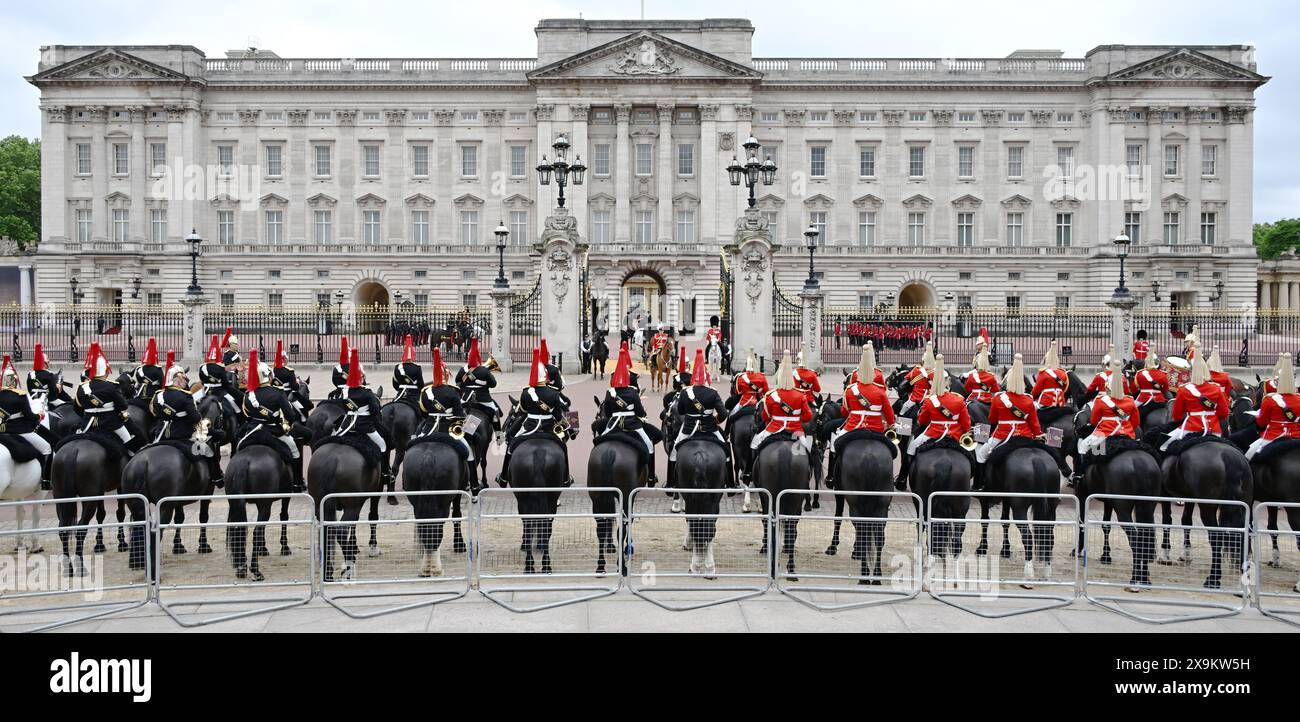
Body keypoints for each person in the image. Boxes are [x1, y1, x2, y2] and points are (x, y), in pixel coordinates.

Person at [496, 347, 575, 487]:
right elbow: (557, 414)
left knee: (511, 444)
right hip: (548, 427)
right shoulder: (553, 392)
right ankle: (565, 479)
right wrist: (566, 424)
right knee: (563, 445)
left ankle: (503, 477)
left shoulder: (526, 392)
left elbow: (523, 411)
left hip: (530, 426)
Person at [828, 342, 894, 488]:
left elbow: (844, 412)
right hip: (876, 429)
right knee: (892, 451)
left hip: (853, 427)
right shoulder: (880, 391)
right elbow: (890, 417)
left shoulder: (851, 390)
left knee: (835, 445)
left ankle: (833, 477)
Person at [240, 349, 304, 491]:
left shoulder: (248, 394)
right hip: (274, 431)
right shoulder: (277, 393)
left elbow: (246, 415)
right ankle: (297, 482)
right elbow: (290, 415)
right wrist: (288, 424)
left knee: (238, 447)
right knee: (294, 451)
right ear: (268, 376)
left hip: (253, 431)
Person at [597, 347, 658, 485]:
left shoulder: (610, 392)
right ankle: (651, 477)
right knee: (649, 445)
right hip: (632, 425)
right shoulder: (632, 392)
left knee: (598, 440)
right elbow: (640, 412)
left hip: (613, 424)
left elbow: (607, 412)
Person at [332, 349, 392, 485]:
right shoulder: (367, 392)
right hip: (365, 426)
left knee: (333, 439)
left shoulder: (345, 391)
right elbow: (375, 410)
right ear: (361, 377)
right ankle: (385, 473)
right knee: (382, 445)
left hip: (347, 425)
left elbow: (343, 406)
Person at [74, 343, 143, 455]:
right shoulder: (111, 386)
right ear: (105, 370)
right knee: (130, 443)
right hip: (110, 423)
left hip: (87, 424)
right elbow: (123, 406)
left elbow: (77, 408)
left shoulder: (82, 387)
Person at [1161, 345, 1230, 452]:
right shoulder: (1216, 388)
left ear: (1191, 372)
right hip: (1214, 430)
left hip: (1191, 428)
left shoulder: (1184, 389)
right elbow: (1224, 413)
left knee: (1163, 445)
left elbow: (1177, 416)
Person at [0, 355, 55, 488]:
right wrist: (39, 416)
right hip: (19, 430)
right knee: (47, 448)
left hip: (2, 429)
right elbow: (29, 416)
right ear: (14, 381)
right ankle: (46, 481)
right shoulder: (20, 395)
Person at [415, 347, 475, 463]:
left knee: (412, 444)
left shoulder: (425, 392)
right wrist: (471, 426)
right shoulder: (453, 391)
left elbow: (423, 413)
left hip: (429, 428)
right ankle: (473, 481)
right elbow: (459, 415)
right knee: (469, 453)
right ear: (446, 376)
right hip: (448, 429)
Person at [750, 351, 814, 457]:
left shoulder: (771, 395)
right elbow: (807, 417)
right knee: (810, 452)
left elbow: (765, 417)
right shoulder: (801, 395)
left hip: (774, 429)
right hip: (796, 431)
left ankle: (748, 472)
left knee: (754, 443)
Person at [671, 349, 729, 465]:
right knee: (726, 450)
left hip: (688, 428)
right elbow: (723, 414)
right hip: (710, 427)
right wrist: (715, 420)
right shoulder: (713, 392)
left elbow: (681, 411)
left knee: (673, 453)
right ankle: (731, 482)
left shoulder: (685, 392)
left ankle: (671, 482)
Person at [1078, 360, 1140, 459]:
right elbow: (1135, 422)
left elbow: (1094, 421)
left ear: (1108, 387)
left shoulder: (1100, 401)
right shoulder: (1130, 400)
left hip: (1104, 433)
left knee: (1083, 446)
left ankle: (1081, 473)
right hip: (1127, 433)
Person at [1247, 352, 1300, 461]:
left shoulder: (1270, 399)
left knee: (1249, 456)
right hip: (1296, 436)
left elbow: (1262, 422)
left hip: (1273, 436)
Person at [456, 337, 501, 439]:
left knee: (457, 412)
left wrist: (466, 386)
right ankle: (499, 437)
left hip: (466, 398)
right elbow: (493, 384)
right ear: (478, 357)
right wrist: (484, 383)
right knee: (495, 411)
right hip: (484, 399)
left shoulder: (463, 370)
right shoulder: (484, 371)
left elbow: (457, 382)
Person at [193, 335, 241, 414]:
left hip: (205, 391)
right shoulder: (220, 368)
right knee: (235, 407)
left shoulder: (202, 368)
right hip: (219, 393)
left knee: (192, 400)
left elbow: (202, 381)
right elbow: (226, 385)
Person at [271, 340, 313, 422]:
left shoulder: (273, 370)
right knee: (302, 409)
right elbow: (295, 387)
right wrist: (297, 382)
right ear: (285, 360)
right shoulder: (289, 371)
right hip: (287, 394)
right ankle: (303, 418)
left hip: (275, 393)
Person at [26, 343, 73, 411]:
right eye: (47, 359)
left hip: (33, 401)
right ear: (43, 362)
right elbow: (54, 392)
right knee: (69, 406)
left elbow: (29, 389)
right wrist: (58, 388)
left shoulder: (30, 375)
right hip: (49, 402)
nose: (49, 361)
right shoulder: (48, 374)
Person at [725, 348, 769, 419]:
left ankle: (727, 430)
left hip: (744, 402)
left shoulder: (741, 377)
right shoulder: (762, 376)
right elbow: (766, 392)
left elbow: (737, 391)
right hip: (757, 403)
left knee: (730, 417)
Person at [899, 342, 936, 416]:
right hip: (929, 398)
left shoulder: (916, 369)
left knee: (904, 409)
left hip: (915, 397)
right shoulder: (934, 371)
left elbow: (906, 378)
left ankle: (901, 424)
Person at [1031, 341, 1071, 408]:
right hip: (1060, 403)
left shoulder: (1043, 373)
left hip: (1046, 402)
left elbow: (1036, 390)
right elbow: (1065, 389)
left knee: (1031, 409)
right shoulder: (1063, 373)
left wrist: (1032, 396)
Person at [391, 334, 423, 405]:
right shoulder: (417, 368)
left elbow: (395, 383)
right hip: (414, 395)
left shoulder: (398, 367)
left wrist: (400, 389)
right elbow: (421, 384)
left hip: (401, 393)